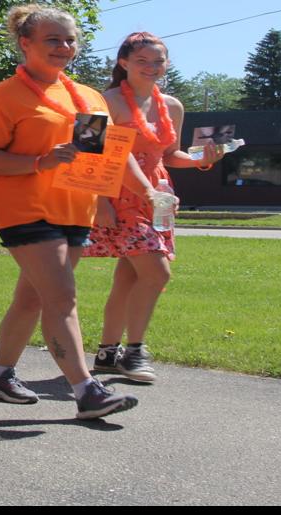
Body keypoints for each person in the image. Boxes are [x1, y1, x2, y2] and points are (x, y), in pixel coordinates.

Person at [0, 4, 155, 420]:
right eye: (53, 39)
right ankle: (86, 389)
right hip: (26, 210)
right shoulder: (3, 96)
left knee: (32, 298)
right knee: (62, 296)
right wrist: (38, 162)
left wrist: (148, 193)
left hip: (75, 210)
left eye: (69, 40)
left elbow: (106, 156)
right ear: (25, 43)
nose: (64, 47)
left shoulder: (85, 96)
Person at [84, 32, 222, 385]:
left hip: (157, 195)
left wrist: (202, 160)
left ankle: (106, 353)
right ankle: (135, 351)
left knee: (130, 277)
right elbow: (89, 151)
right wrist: (99, 202)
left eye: (157, 61)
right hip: (117, 194)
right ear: (124, 63)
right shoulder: (103, 100)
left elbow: (171, 155)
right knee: (157, 273)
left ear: (167, 64)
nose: (151, 67)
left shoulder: (172, 105)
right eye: (142, 61)